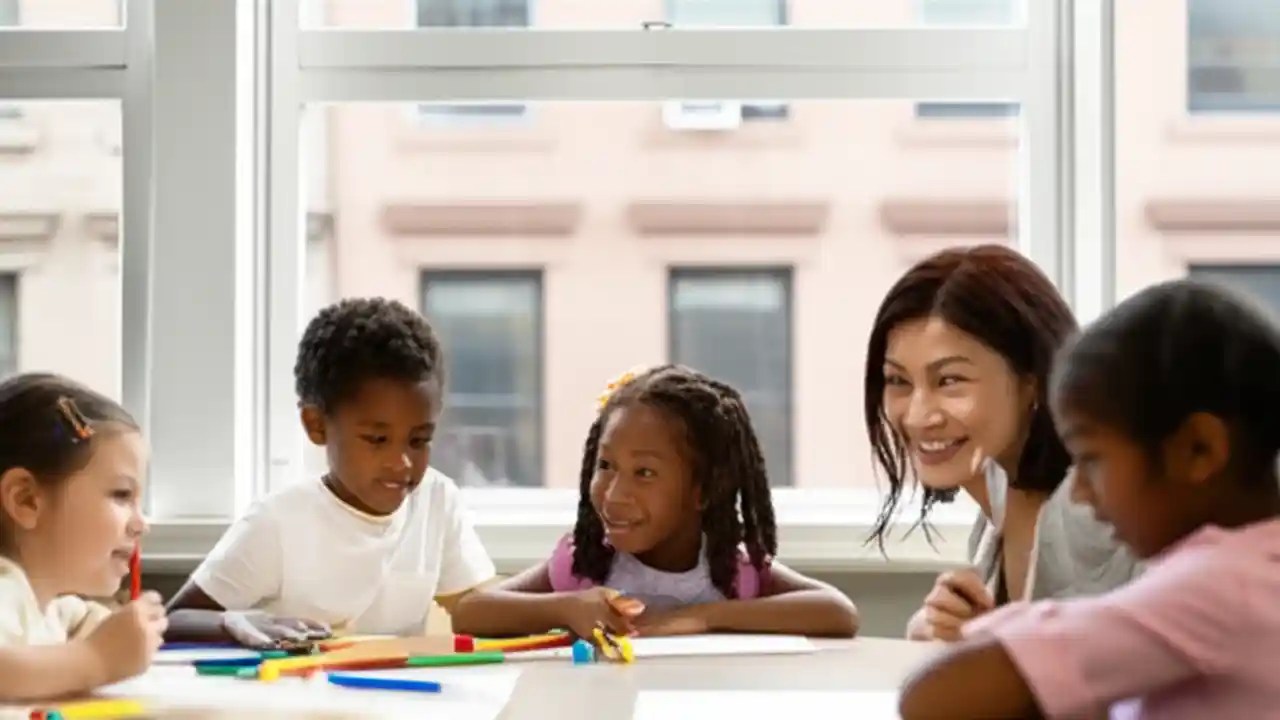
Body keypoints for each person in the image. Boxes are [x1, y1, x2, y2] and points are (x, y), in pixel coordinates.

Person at [899, 279, 1280, 719]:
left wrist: (989, 631)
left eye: (1092, 459)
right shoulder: (1256, 573)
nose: (1079, 491)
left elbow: (933, 698)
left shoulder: (1214, 588)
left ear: (1198, 450)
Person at [166, 298, 496, 645]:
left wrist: (555, 583)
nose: (402, 462)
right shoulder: (278, 523)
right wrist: (234, 622)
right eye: (377, 439)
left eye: (419, 440)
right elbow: (175, 619)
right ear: (316, 425)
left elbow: (474, 607)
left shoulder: (436, 500)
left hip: (398, 697)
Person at [451, 365, 859, 640]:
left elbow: (837, 612)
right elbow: (472, 612)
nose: (613, 493)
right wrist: (566, 607)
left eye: (644, 473)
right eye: (606, 465)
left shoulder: (731, 572)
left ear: (704, 489)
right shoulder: (587, 565)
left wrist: (700, 617)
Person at [864, 245, 1138, 641]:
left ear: (1032, 379)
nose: (919, 415)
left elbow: (1120, 677)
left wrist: (983, 642)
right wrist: (936, 624)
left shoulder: (1092, 510)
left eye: (950, 381)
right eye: (898, 382)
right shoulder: (997, 482)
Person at [0, 373, 166, 701]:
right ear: (26, 500)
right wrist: (97, 659)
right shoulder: (6, 589)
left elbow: (88, 621)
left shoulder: (52, 605)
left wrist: (128, 632)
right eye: (121, 495)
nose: (141, 523)